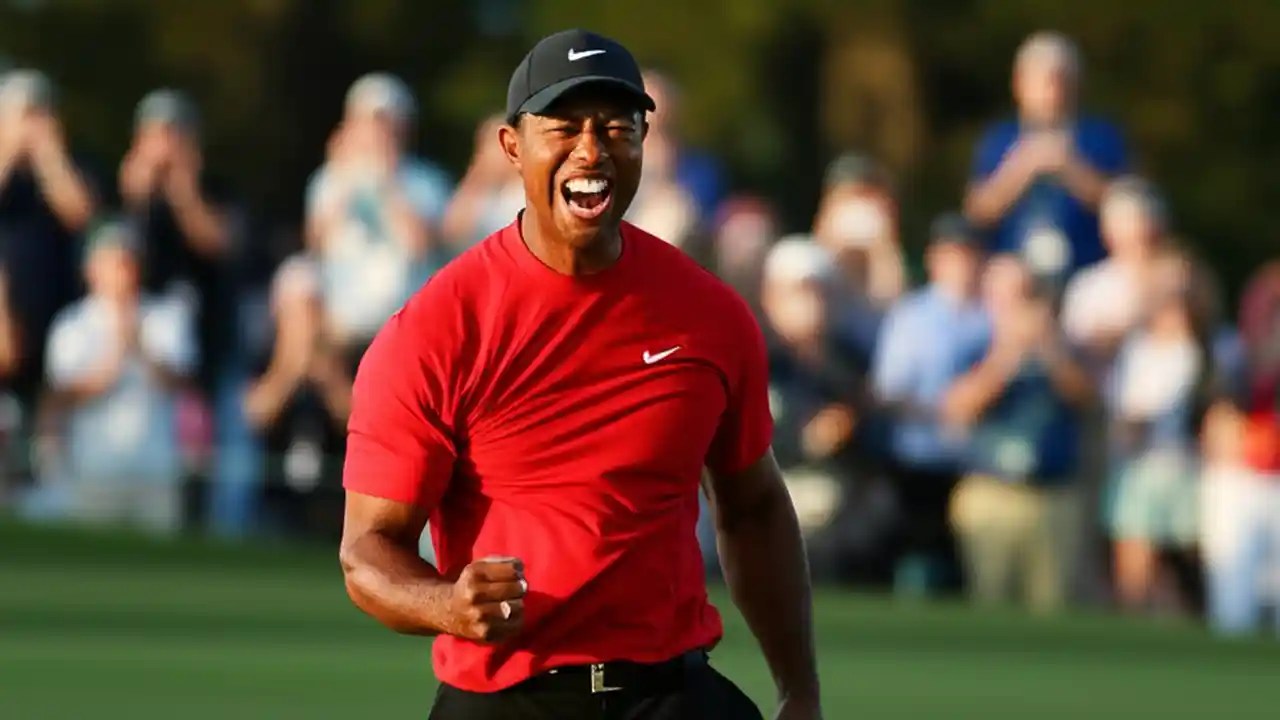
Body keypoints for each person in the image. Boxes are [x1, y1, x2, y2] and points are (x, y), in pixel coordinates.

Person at [338, 29, 821, 720]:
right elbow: (367, 550)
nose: (591, 150)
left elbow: (754, 507)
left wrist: (799, 693)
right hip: (504, 700)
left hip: (670, 694)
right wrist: (445, 604)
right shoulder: (437, 328)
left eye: (616, 127)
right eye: (563, 127)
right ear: (513, 147)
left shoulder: (709, 316)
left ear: (644, 142)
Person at [118, 88, 256, 537]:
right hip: (150, 351)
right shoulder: (132, 194)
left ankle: (212, 530)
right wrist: (140, 190)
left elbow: (217, 242)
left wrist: (183, 189)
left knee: (211, 451)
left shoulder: (213, 189)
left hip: (210, 341)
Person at [942, 255, 1093, 613]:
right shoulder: (976, 344)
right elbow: (958, 408)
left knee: (1052, 606)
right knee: (989, 600)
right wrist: (1005, 358)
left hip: (1052, 495)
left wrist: (1049, 351)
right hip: (992, 489)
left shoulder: (1066, 349)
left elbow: (1087, 400)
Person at [43, 218, 197, 535]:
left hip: (155, 471)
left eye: (128, 262)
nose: (123, 272)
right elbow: (64, 394)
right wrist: (115, 353)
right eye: (113, 263)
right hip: (94, 470)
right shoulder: (72, 324)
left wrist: (138, 346)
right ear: (92, 270)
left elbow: (181, 383)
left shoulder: (166, 315)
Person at [872, 213, 990, 596]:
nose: (963, 266)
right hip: (920, 462)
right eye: (954, 255)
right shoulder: (912, 316)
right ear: (935, 260)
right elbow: (890, 392)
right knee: (919, 564)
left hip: (977, 466)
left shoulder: (994, 315)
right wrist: (943, 412)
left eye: (970, 255)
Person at [305, 72, 452, 362]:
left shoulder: (427, 181)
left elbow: (420, 246)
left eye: (386, 123)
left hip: (403, 322)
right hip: (343, 323)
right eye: (370, 122)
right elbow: (316, 243)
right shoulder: (329, 180)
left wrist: (388, 183)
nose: (379, 132)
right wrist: (343, 173)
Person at [964, 31, 1128, 286]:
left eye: (1061, 80)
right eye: (1043, 80)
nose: (1053, 91)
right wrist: (1020, 169)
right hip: (1015, 277)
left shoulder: (1100, 136)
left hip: (1088, 272)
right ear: (1019, 84)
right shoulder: (999, 139)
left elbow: (1127, 206)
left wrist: (1072, 170)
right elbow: (976, 212)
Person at [0, 69, 97, 464]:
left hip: (54, 332)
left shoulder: (69, 167)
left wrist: (49, 157)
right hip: (4, 328)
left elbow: (81, 215)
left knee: (46, 456)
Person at [244, 254, 352, 539]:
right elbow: (256, 415)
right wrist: (290, 368)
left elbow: (356, 421)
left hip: (332, 505)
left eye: (312, 310)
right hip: (275, 504)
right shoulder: (262, 359)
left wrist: (327, 374)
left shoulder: (343, 362)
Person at [441, 113, 526, 250]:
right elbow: (452, 231)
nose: (485, 155)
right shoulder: (489, 194)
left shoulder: (527, 195)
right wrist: (477, 174)